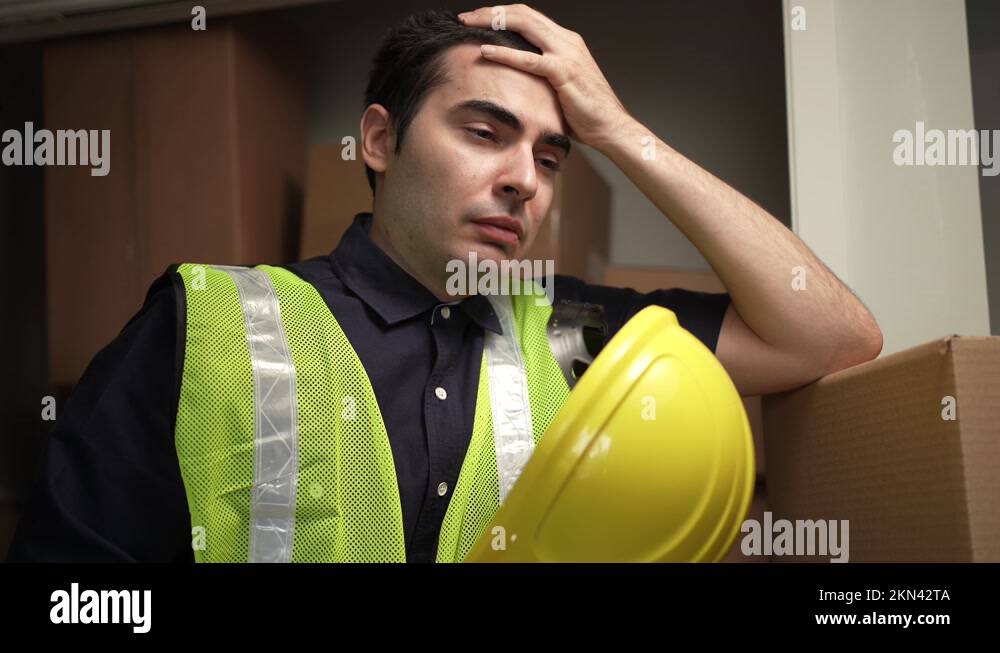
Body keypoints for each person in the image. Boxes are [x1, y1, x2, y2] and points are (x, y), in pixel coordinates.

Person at [7, 6, 881, 563]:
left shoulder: (576, 331)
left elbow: (832, 337)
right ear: (379, 142)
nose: (524, 179)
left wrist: (618, 132)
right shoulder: (209, 325)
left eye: (549, 155)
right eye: (484, 131)